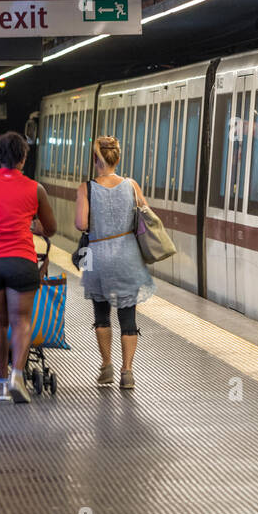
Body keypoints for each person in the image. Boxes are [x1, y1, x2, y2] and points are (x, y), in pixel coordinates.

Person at [0, 131, 57, 403]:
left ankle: (2, 384)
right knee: (21, 321)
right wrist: (35, 227)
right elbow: (51, 228)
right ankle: (18, 374)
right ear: (23, 158)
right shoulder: (35, 189)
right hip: (21, 261)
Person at [75, 135, 155, 390]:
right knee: (128, 317)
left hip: (97, 256)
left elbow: (81, 224)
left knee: (101, 315)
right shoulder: (131, 185)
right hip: (127, 256)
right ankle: (127, 371)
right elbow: (146, 215)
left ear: (94, 159)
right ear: (117, 159)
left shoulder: (86, 188)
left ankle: (106, 365)